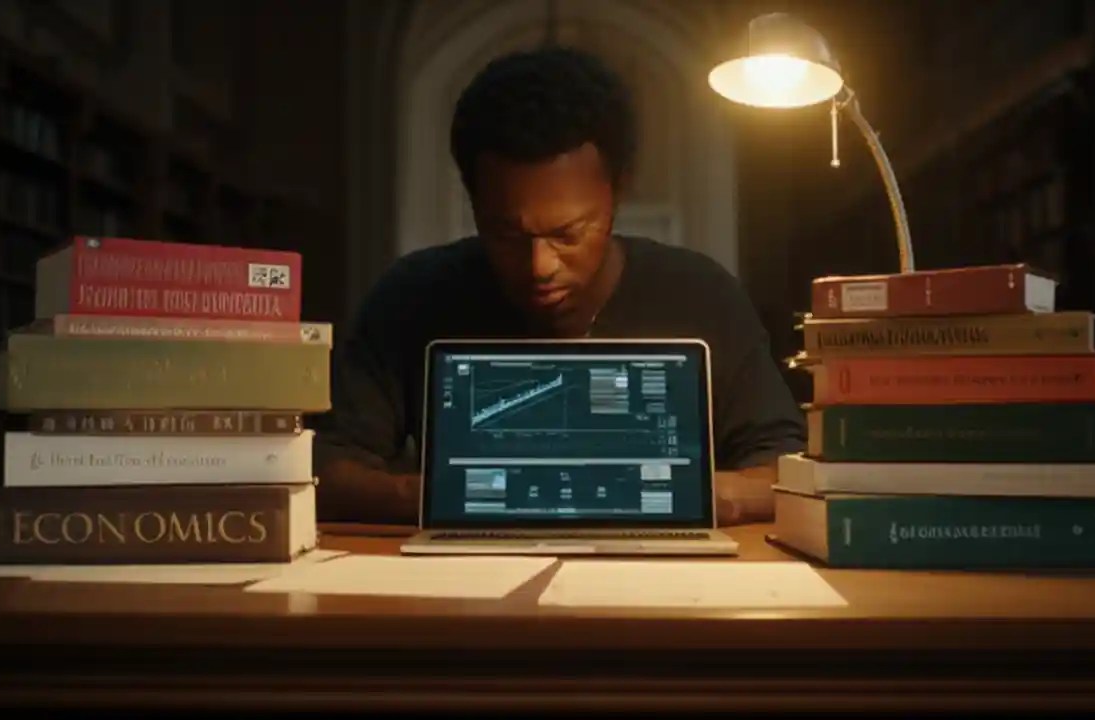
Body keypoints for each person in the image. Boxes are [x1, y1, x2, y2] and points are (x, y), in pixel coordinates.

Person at [313, 45, 806, 526]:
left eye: (567, 234)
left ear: (619, 189)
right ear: (473, 199)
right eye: (507, 235)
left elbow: (787, 465)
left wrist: (691, 495)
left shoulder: (700, 295)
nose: (539, 266)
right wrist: (453, 497)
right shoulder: (412, 296)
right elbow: (327, 470)